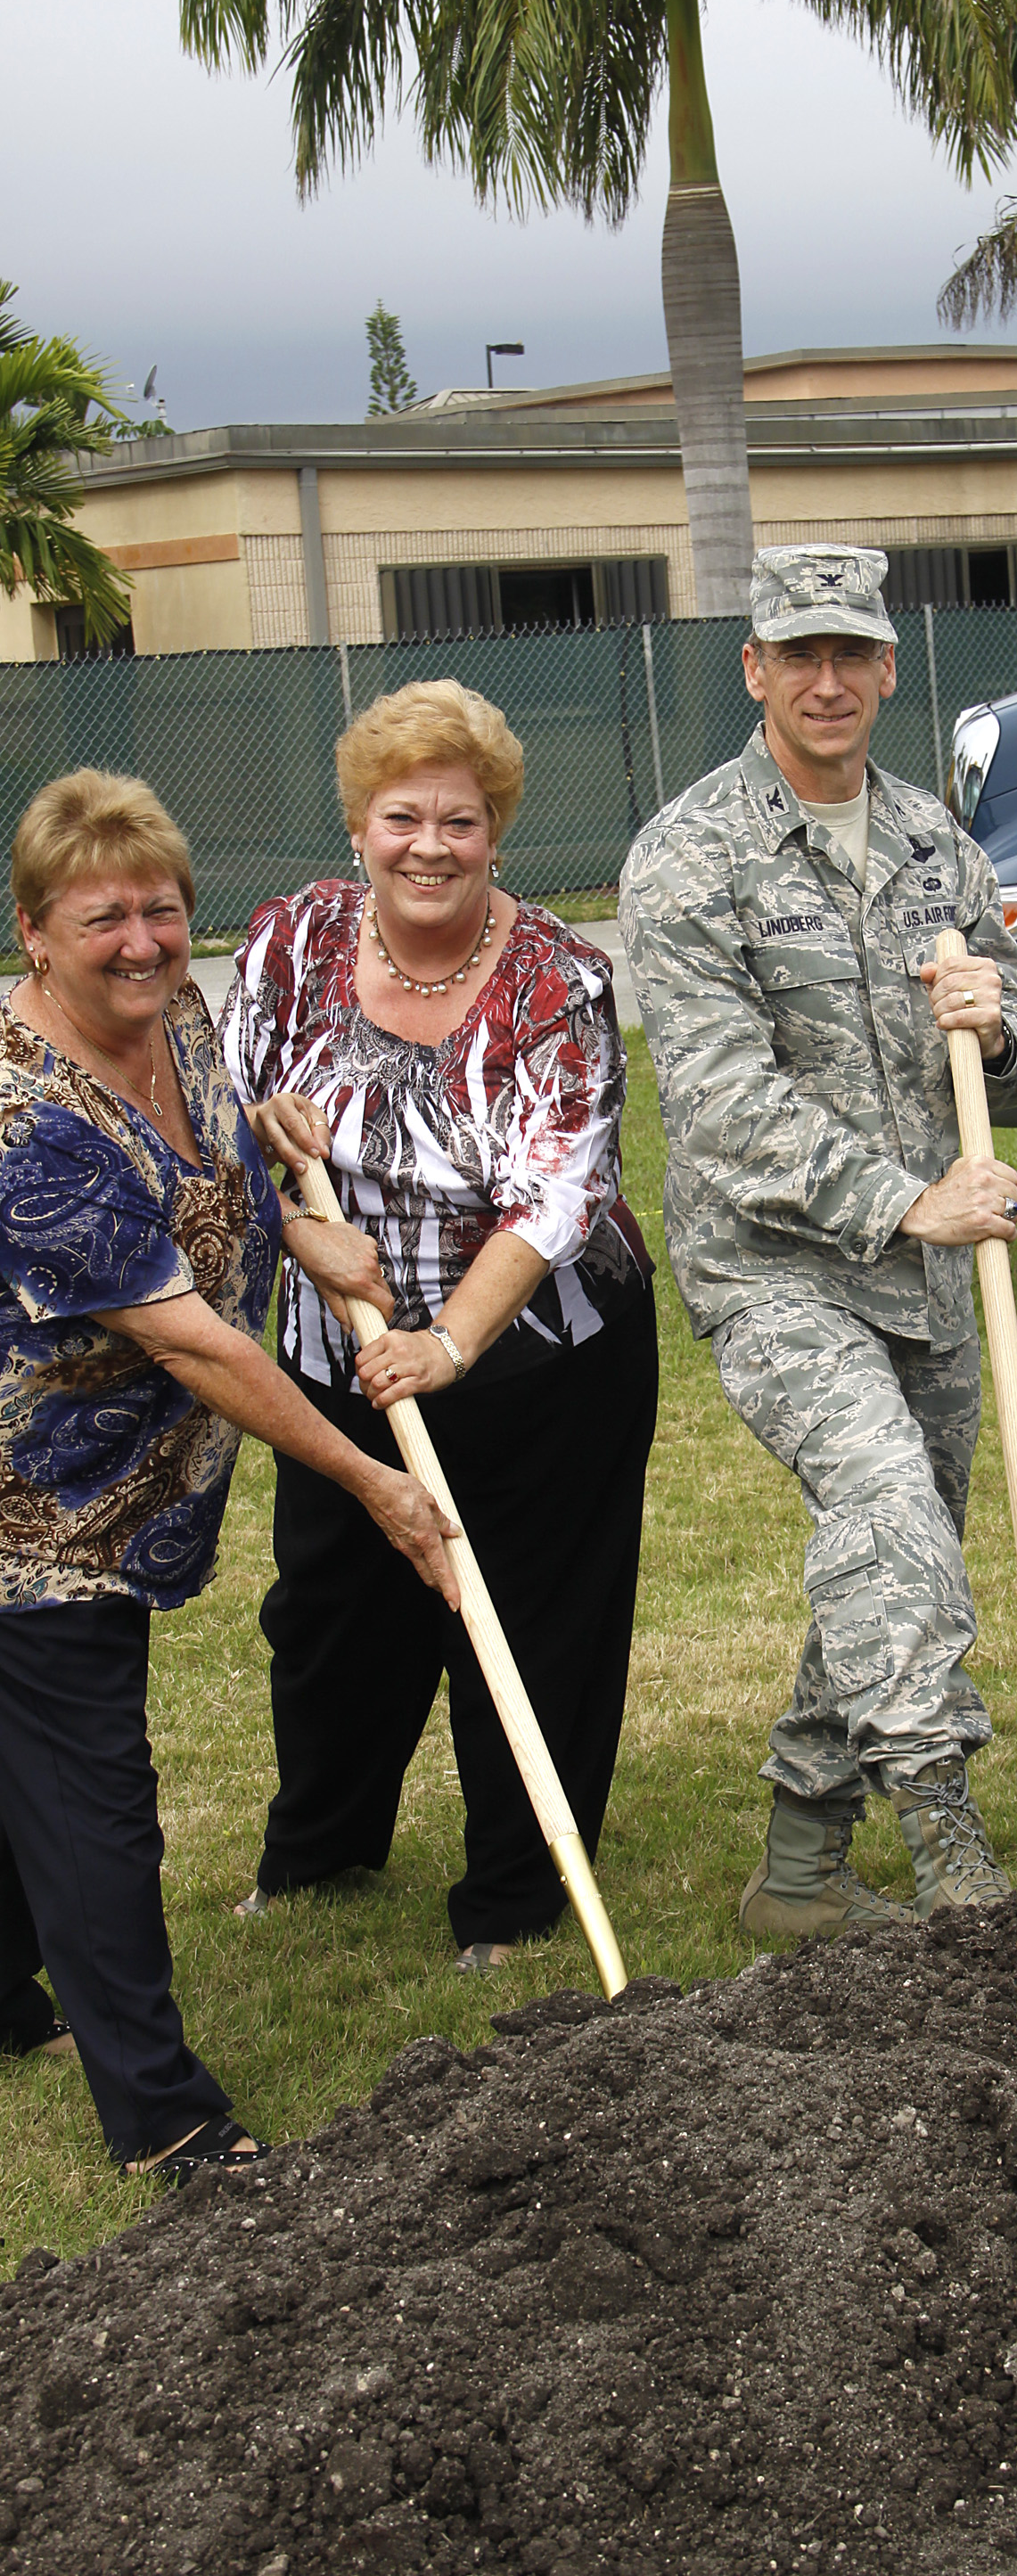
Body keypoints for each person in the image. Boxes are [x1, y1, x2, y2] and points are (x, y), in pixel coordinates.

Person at [0, 770, 458, 2185]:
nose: (141, 941)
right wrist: (373, 1482)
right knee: (92, 1789)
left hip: (117, 1482)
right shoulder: (26, 1119)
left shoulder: (171, 1011)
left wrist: (284, 1198)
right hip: (31, 1505)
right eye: (101, 921)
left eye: (160, 910)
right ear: (34, 936)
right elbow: (190, 1343)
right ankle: (166, 2118)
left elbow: (203, 1153)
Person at [619, 543, 1017, 1939]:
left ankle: (800, 1866)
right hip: (778, 1268)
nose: (825, 680)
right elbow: (718, 1104)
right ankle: (946, 1838)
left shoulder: (941, 843)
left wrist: (999, 1016)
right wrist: (901, 1202)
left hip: (929, 1276)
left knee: (897, 1546)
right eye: (795, 655)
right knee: (886, 1508)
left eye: (849, 653)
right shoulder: (690, 855)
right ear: (754, 670)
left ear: (886, 668)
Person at [221, 678, 657, 1971]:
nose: (429, 846)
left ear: (496, 832)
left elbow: (555, 1195)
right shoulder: (291, 944)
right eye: (401, 816)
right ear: (360, 824)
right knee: (332, 1616)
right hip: (341, 1350)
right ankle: (321, 1849)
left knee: (532, 1621)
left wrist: (450, 1344)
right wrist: (291, 1219)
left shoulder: (558, 981)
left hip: (538, 1359)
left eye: (459, 822)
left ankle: (517, 1896)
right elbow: (223, 1120)